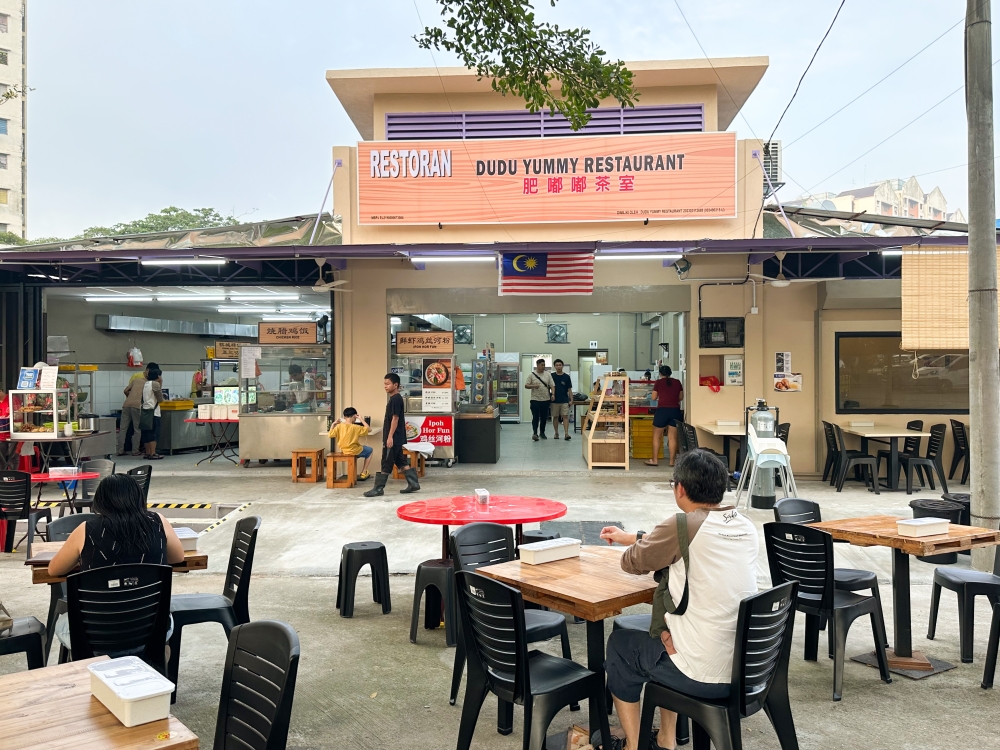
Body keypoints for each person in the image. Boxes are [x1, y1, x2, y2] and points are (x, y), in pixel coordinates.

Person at [598, 450, 758, 750]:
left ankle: (635, 744)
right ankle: (666, 737)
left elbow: (633, 563)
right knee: (661, 632)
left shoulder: (682, 524)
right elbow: (686, 545)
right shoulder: (745, 526)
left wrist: (637, 543)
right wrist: (635, 536)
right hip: (747, 667)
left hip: (701, 672)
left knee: (620, 647)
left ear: (680, 488)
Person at [48, 473, 185, 657]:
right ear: (138, 498)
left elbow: (54, 570)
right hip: (149, 632)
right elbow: (178, 557)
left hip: (96, 638)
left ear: (100, 501)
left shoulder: (86, 529)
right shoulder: (158, 522)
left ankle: (82, 673)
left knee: (64, 622)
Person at [364, 373, 421, 497]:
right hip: (397, 437)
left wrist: (390, 437)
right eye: (384, 384)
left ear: (396, 385)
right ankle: (413, 483)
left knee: (386, 462)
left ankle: (378, 488)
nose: (385, 386)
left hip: (394, 437)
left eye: (388, 384)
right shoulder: (395, 398)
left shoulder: (395, 399)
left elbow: (395, 419)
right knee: (400, 461)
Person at [646, 365, 684, 468]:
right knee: (672, 438)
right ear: (670, 372)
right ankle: (672, 461)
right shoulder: (677, 382)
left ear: (660, 373)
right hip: (675, 411)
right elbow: (680, 397)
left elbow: (653, 397)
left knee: (657, 437)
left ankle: (655, 460)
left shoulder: (658, 383)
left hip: (662, 411)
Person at [119, 362, 156, 457]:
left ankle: (120, 450)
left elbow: (125, 390)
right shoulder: (148, 384)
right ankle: (135, 451)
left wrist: (129, 398)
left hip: (126, 405)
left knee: (123, 429)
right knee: (137, 429)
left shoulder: (136, 379)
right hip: (137, 406)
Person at [329, 407, 373, 481]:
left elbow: (330, 435)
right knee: (370, 450)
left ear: (344, 417)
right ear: (354, 416)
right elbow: (369, 429)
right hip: (354, 450)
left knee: (359, 450)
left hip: (344, 450)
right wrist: (361, 419)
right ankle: (364, 471)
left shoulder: (339, 426)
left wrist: (333, 424)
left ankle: (355, 470)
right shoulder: (356, 427)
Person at [524, 358, 554, 441]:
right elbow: (526, 385)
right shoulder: (531, 375)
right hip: (535, 399)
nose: (543, 366)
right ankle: (535, 433)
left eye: (544, 365)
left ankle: (542, 432)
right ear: (537, 365)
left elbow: (552, 385)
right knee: (536, 417)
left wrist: (553, 394)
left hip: (546, 399)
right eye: (542, 365)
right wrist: (534, 386)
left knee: (544, 417)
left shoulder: (548, 374)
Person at [140, 366, 164, 460]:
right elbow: (160, 399)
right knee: (154, 433)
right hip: (153, 412)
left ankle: (147, 453)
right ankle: (153, 453)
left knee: (146, 433)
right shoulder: (155, 384)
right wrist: (160, 382)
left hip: (145, 411)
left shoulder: (146, 384)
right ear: (158, 376)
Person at [550, 359, 573, 441]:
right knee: (555, 417)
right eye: (557, 365)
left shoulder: (567, 377)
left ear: (562, 366)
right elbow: (548, 387)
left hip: (564, 400)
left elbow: (569, 389)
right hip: (554, 400)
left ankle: (566, 434)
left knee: (565, 416)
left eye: (560, 365)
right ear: (554, 366)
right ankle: (556, 433)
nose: (558, 366)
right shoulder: (551, 376)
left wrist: (571, 399)